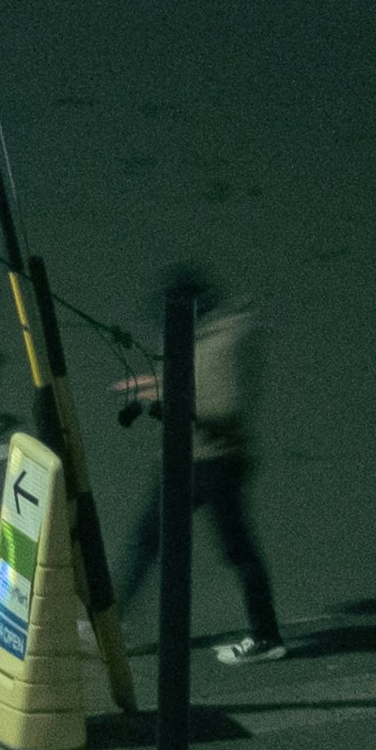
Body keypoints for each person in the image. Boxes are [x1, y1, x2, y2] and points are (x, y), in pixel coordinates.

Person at [113, 262, 287, 669]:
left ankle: (266, 636)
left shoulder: (222, 342)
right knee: (149, 538)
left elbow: (223, 407)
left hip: (214, 462)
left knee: (237, 551)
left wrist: (170, 400)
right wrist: (153, 387)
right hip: (187, 459)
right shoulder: (199, 335)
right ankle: (116, 624)